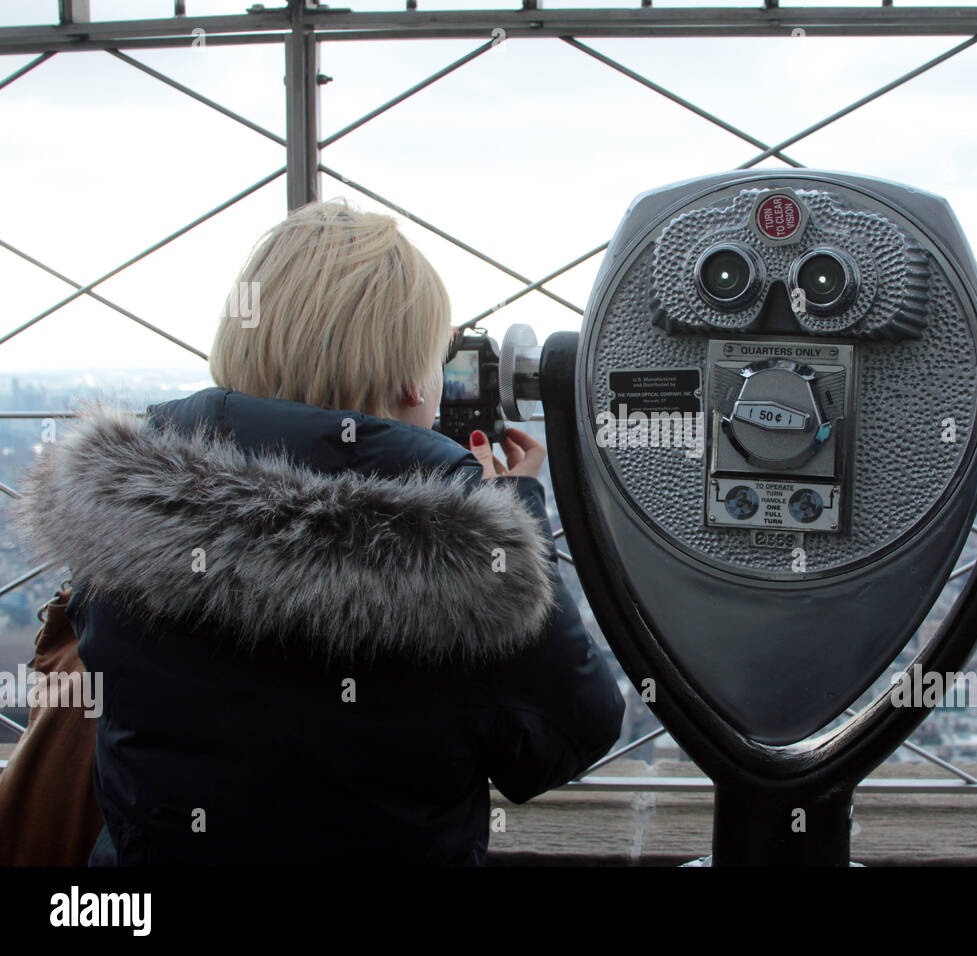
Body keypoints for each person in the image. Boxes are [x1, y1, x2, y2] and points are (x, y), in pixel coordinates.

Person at [14, 199, 626, 865]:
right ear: (408, 380)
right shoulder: (463, 547)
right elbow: (572, 734)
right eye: (436, 358)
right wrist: (512, 510)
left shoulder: (125, 495)